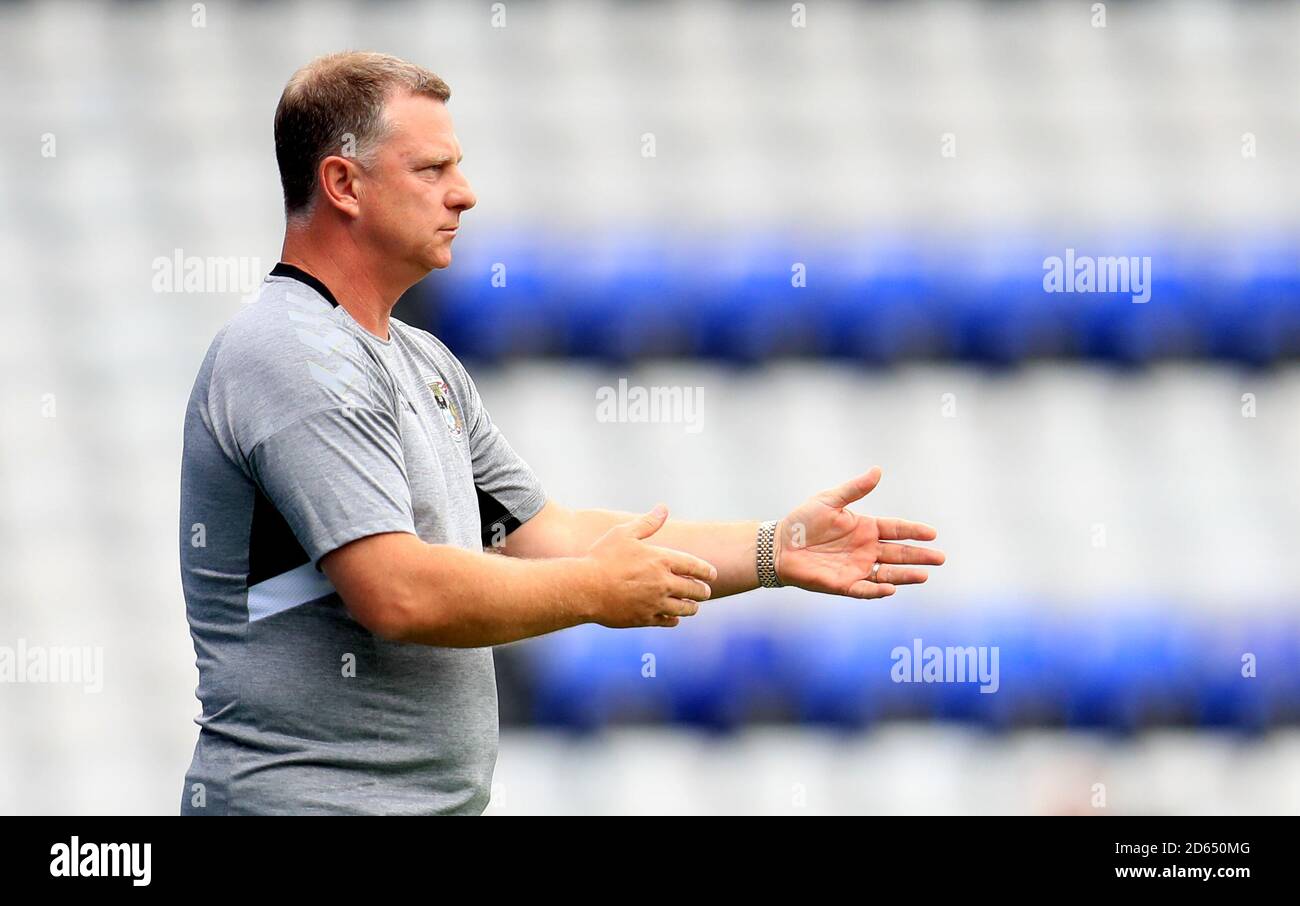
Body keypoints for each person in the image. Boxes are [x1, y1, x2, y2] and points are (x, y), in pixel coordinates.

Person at [178, 51, 945, 815]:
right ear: (344, 184)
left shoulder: (423, 363)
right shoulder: (289, 351)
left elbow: (544, 533)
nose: (465, 193)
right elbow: (398, 592)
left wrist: (775, 547)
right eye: (432, 169)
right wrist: (591, 592)